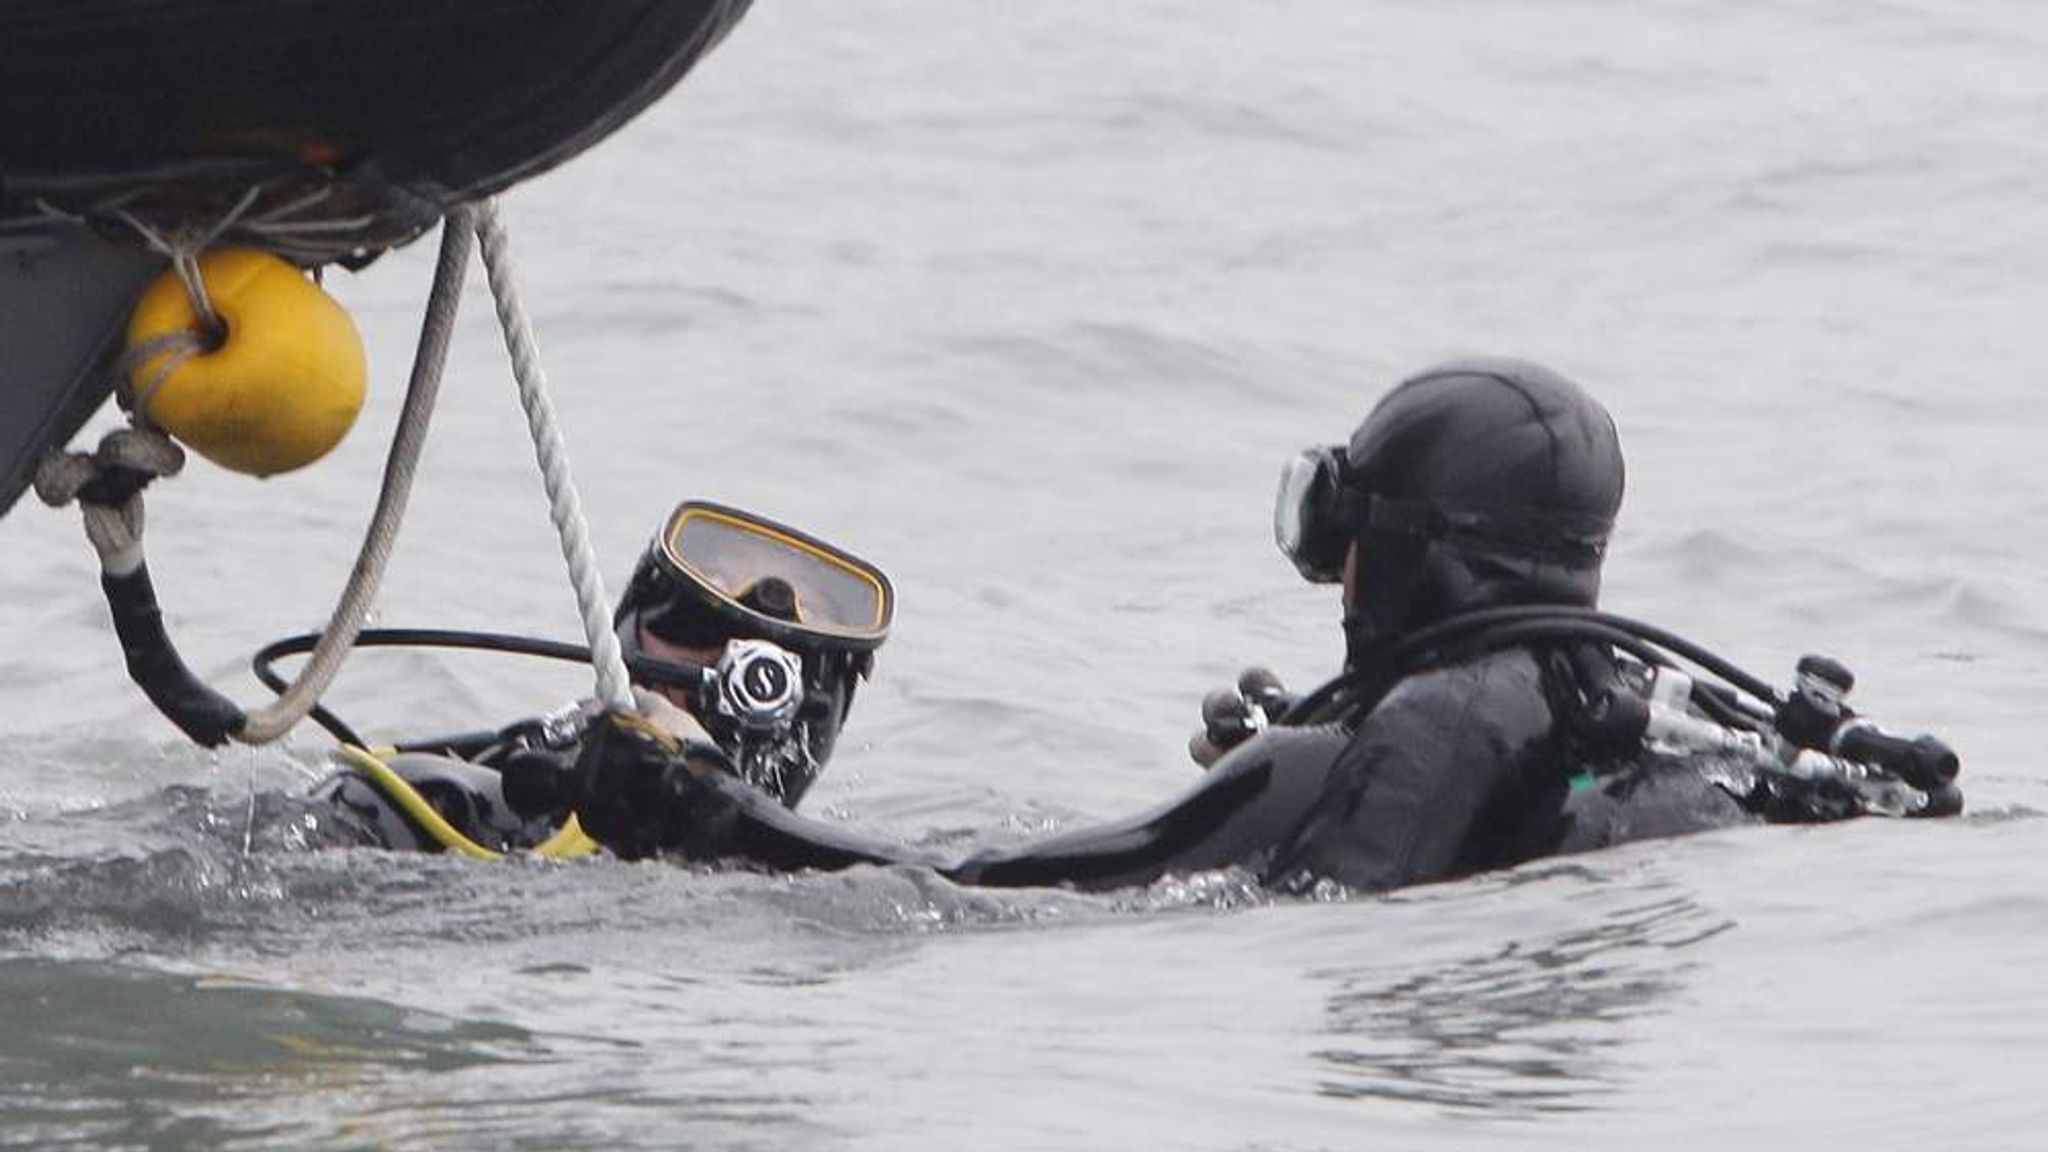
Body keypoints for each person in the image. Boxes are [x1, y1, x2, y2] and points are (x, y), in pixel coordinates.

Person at [557, 358, 1961, 891]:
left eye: (1338, 533)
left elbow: (992, 894)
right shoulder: (1624, 704)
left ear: (1397, 549)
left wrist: (711, 814)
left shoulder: (1356, 754)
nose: (1335, 573)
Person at [310, 500, 895, 856]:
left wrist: (713, 803)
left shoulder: (851, 880)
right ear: (630, 635)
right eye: (707, 596)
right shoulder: (454, 803)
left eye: (816, 609)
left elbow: (950, 883)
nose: (735, 659)